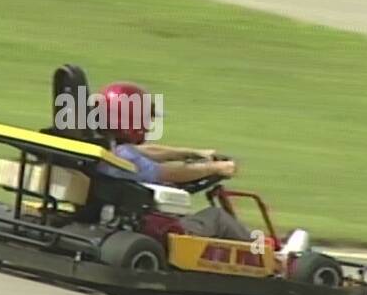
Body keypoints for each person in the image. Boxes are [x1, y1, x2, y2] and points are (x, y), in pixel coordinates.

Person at [94, 81, 252, 241]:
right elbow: (169, 173)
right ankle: (267, 258)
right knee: (217, 217)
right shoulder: (124, 157)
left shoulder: (107, 148)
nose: (148, 127)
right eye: (146, 119)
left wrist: (192, 153)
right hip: (152, 228)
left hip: (120, 219)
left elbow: (148, 151)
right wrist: (216, 168)